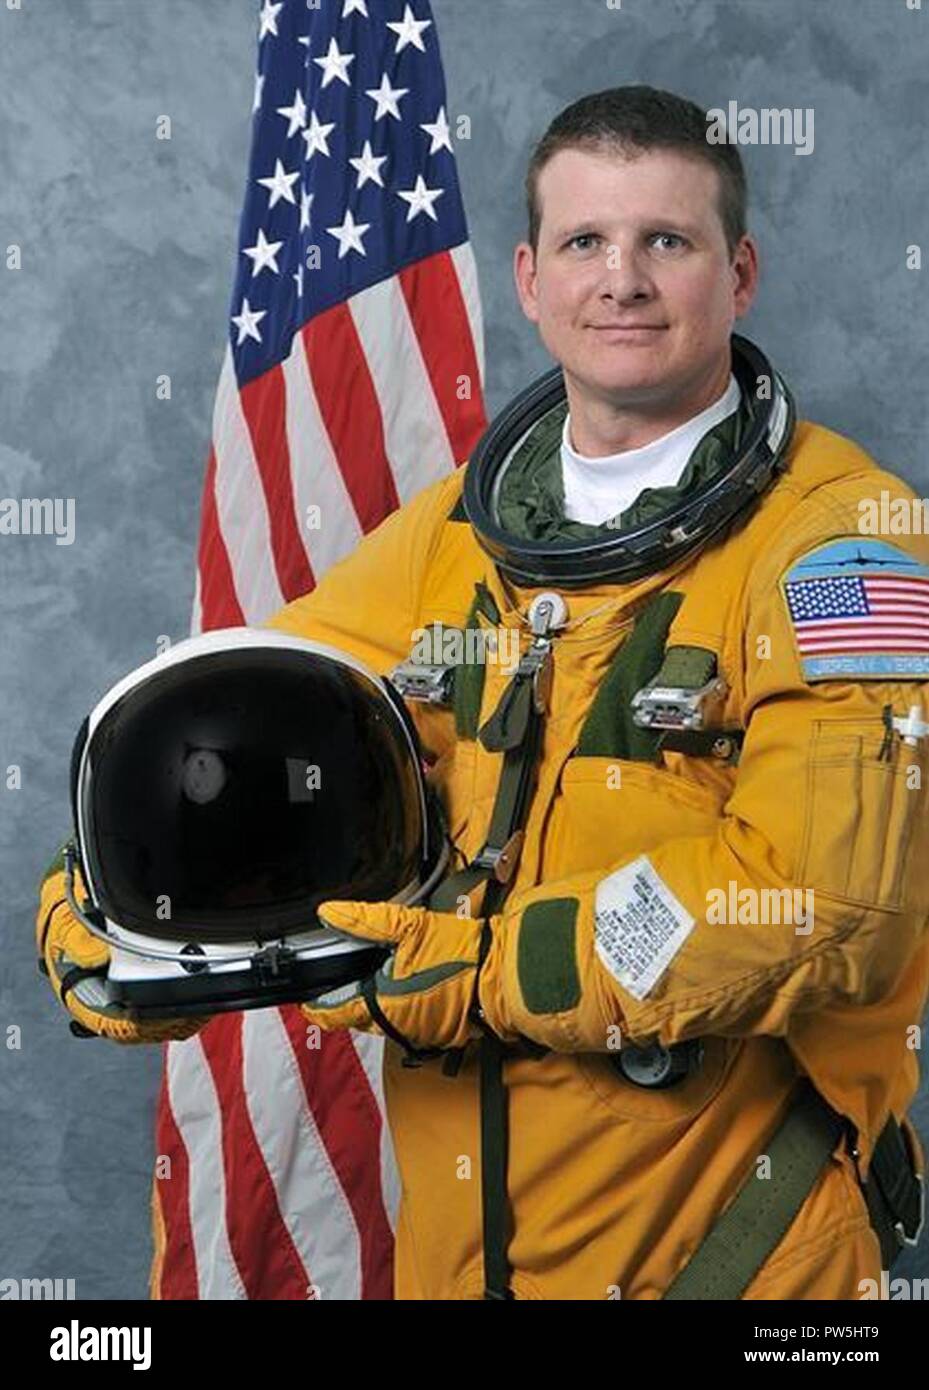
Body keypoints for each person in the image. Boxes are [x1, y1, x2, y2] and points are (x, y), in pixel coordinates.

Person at [37, 85, 928, 1300]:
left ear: (740, 273)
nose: (620, 280)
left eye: (665, 240)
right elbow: (242, 733)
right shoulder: (454, 540)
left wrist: (493, 971)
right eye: (583, 243)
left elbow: (828, 910)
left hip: (742, 1262)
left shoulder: (846, 548)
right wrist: (119, 897)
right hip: (462, 1267)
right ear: (526, 278)